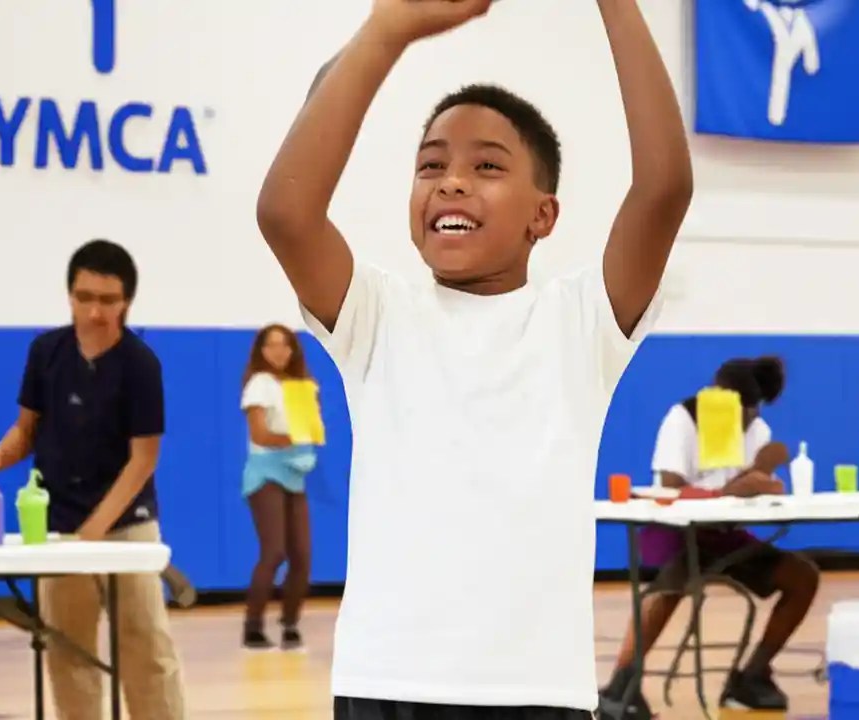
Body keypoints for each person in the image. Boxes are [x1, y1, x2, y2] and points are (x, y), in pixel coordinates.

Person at [255, 0, 693, 716]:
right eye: (432, 165)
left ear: (542, 216)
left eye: (487, 166)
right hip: (383, 683)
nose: (452, 181)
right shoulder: (375, 315)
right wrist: (388, 28)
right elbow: (286, 212)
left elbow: (664, 187)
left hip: (533, 692)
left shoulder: (581, 319)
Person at [0, 239, 185, 720]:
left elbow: (143, 459)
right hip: (58, 528)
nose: (95, 310)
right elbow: (26, 429)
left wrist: (95, 532)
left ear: (126, 301)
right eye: (84, 297)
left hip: (126, 528)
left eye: (107, 300)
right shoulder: (45, 352)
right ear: (69, 296)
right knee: (68, 653)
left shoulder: (142, 365)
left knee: (145, 649)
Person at [601, 356, 819, 715]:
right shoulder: (683, 419)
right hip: (675, 532)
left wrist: (762, 484)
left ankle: (752, 677)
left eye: (749, 417)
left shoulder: (757, 430)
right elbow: (669, 489)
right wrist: (734, 490)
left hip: (724, 536)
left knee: (801, 576)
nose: (745, 424)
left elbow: (745, 488)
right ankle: (622, 684)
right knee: (669, 588)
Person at [239, 323, 319, 651]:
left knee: (302, 555)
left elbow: (307, 430)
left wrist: (307, 435)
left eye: (284, 345)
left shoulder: (302, 386)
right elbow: (260, 435)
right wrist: (295, 439)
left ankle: (290, 625)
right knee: (274, 551)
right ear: (261, 350)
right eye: (271, 345)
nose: (279, 352)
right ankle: (253, 626)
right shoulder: (260, 384)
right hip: (266, 474)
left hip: (294, 472)